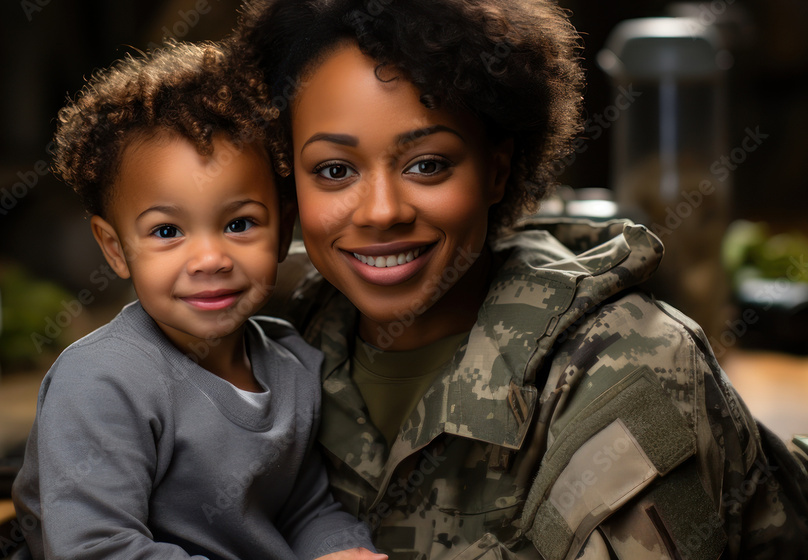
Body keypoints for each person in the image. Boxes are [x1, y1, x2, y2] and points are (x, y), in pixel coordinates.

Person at [233, 0, 808, 558]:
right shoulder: (275, 343)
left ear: (497, 171)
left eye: (427, 164)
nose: (381, 211)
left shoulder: (626, 364)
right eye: (334, 170)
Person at [11, 40, 388, 560]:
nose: (209, 258)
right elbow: (96, 548)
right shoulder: (101, 383)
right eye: (167, 231)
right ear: (116, 249)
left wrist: (339, 549)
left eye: (240, 224)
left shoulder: (293, 366)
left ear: (282, 233)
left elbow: (304, 511)